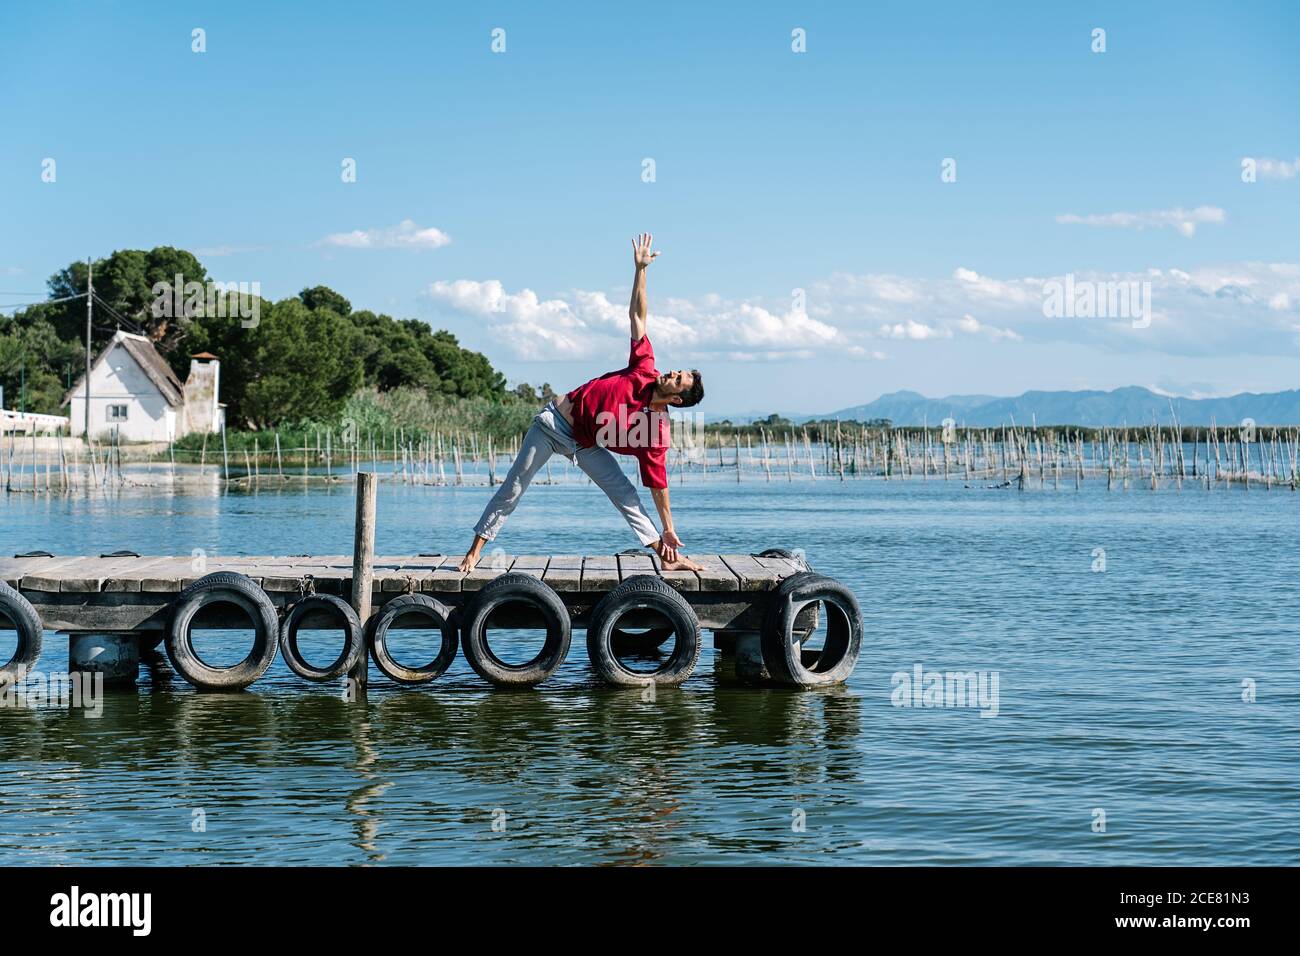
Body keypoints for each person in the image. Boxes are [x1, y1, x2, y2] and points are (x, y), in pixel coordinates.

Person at [457, 233, 704, 572]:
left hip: (584, 445)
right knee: (514, 487)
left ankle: (666, 558)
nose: (670, 373)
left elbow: (658, 485)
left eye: (677, 379)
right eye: (675, 371)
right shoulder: (644, 369)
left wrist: (670, 528)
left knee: (625, 494)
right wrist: (641, 270)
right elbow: (637, 317)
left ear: (676, 399)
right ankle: (474, 551)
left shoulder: (655, 433)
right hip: (552, 425)